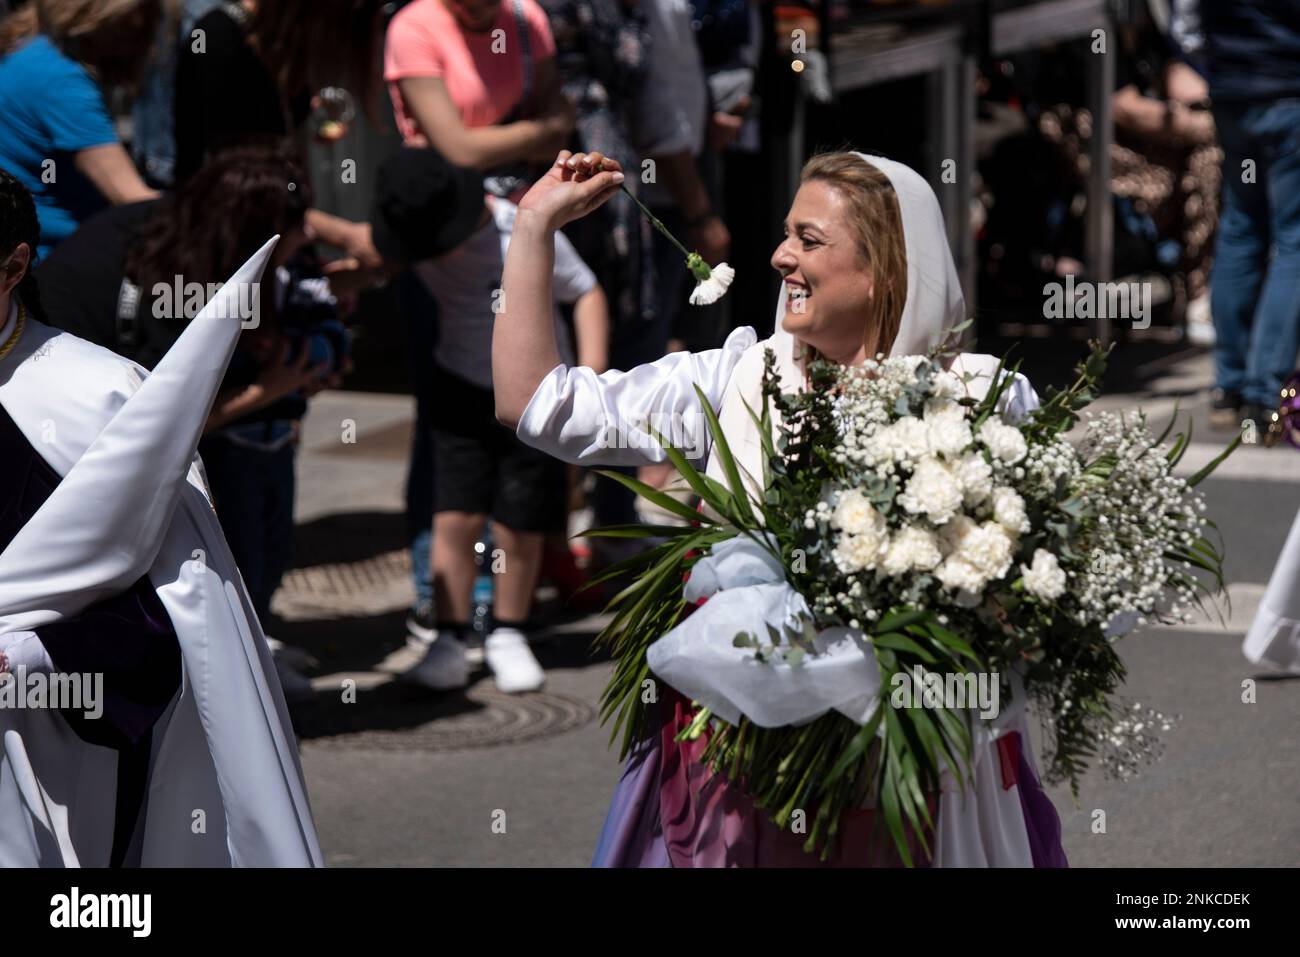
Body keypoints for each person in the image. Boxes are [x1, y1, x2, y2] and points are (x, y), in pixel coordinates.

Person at [493, 149, 1067, 866]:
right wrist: (533, 227)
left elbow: (1040, 579)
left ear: (888, 268)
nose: (779, 257)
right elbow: (539, 406)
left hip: (920, 779)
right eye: (787, 234)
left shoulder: (980, 396)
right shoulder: (741, 375)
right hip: (744, 773)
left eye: (810, 240)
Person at [0, 169, 320, 865]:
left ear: (15, 266)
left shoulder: (98, 397)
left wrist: (35, 658)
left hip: (46, 757)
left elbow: (176, 615)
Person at [35, 144, 346, 701]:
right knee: (226, 515)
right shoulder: (166, 283)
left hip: (132, 411)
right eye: (292, 223)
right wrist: (265, 392)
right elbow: (160, 429)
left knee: (264, 486)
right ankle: (225, 673)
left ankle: (253, 638)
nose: (304, 235)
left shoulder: (194, 238)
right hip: (70, 429)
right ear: (248, 225)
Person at [388, 150, 608, 693]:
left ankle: (510, 628)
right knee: (453, 515)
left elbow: (585, 292)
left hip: (530, 397)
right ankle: (450, 634)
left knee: (520, 517)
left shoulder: (522, 232)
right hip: (456, 385)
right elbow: (366, 250)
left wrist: (593, 382)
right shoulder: (422, 242)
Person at [173, 0, 386, 264]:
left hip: (277, 237)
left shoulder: (281, 45)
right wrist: (346, 236)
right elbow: (243, 192)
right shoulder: (217, 40)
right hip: (234, 252)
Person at [1203, 0, 1300, 434]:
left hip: (1232, 90)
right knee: (1293, 241)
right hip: (1284, 90)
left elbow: (1185, 20)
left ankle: (1231, 386)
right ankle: (1264, 396)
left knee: (1241, 230)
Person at [0, 0, 160, 258]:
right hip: (51, 261)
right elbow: (133, 199)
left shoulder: (33, 48)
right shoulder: (60, 81)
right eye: (135, 15)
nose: (142, 29)